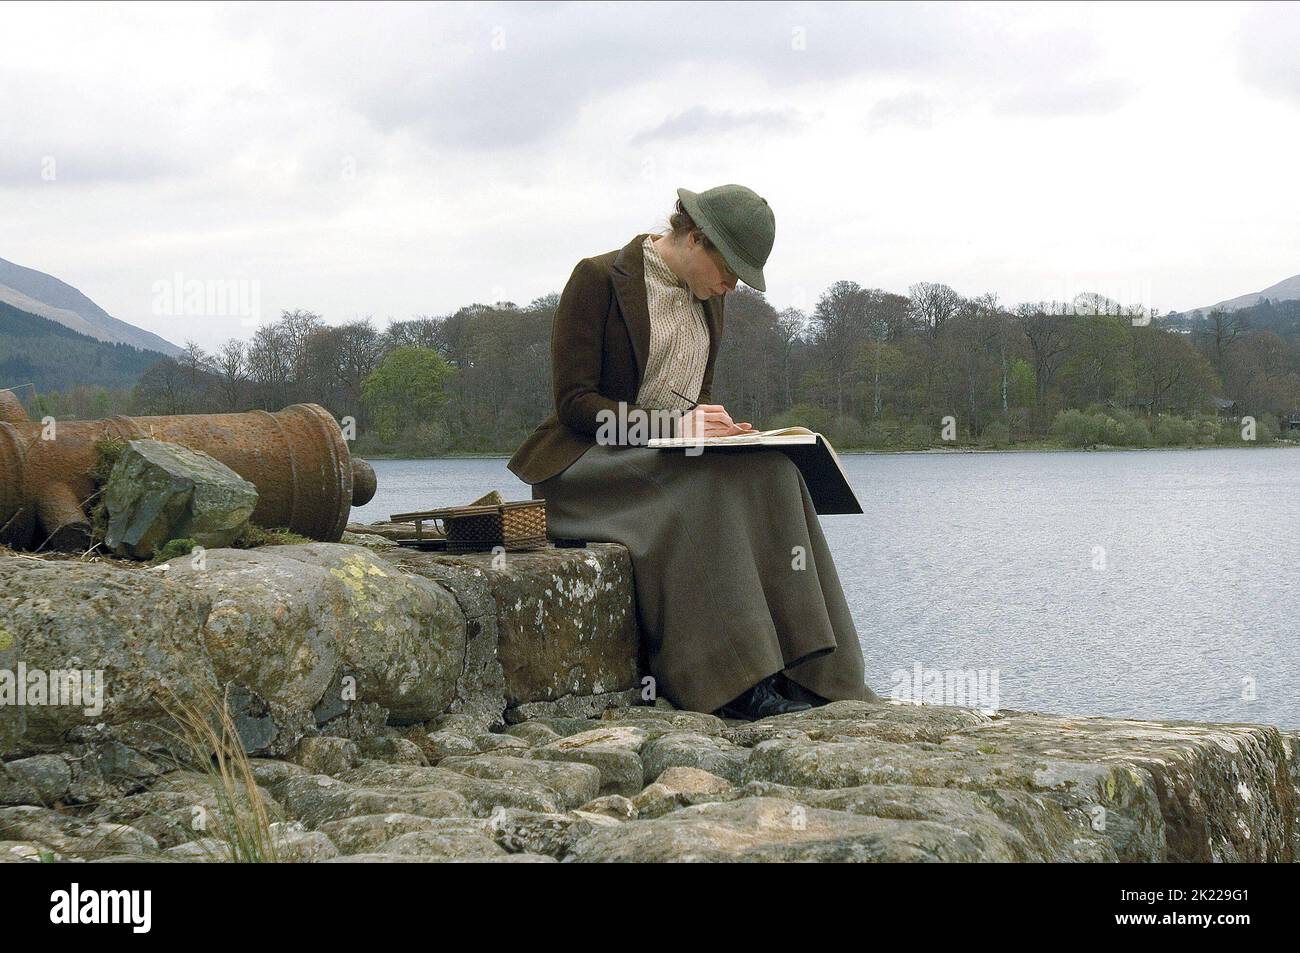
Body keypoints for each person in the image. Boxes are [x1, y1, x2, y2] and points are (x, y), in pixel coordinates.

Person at [507, 184, 875, 720]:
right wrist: (675, 424)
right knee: (710, 489)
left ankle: (810, 671)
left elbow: (687, 395)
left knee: (775, 472)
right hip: (587, 465)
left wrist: (715, 428)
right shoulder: (597, 279)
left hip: (662, 456)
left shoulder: (709, 301)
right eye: (729, 271)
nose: (731, 287)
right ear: (696, 239)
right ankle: (736, 683)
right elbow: (575, 404)